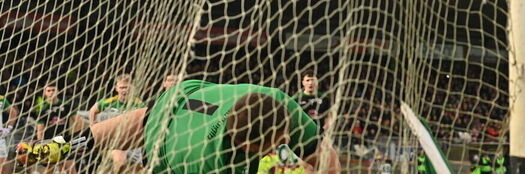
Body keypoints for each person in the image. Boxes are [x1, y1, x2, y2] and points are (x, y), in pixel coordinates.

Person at [19, 79, 340, 174]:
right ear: (247, 149)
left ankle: (56, 147)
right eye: (274, 145)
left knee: (105, 134)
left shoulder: (279, 101)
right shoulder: (216, 164)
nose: (281, 146)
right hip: (173, 150)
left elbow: (327, 158)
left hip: (175, 101)